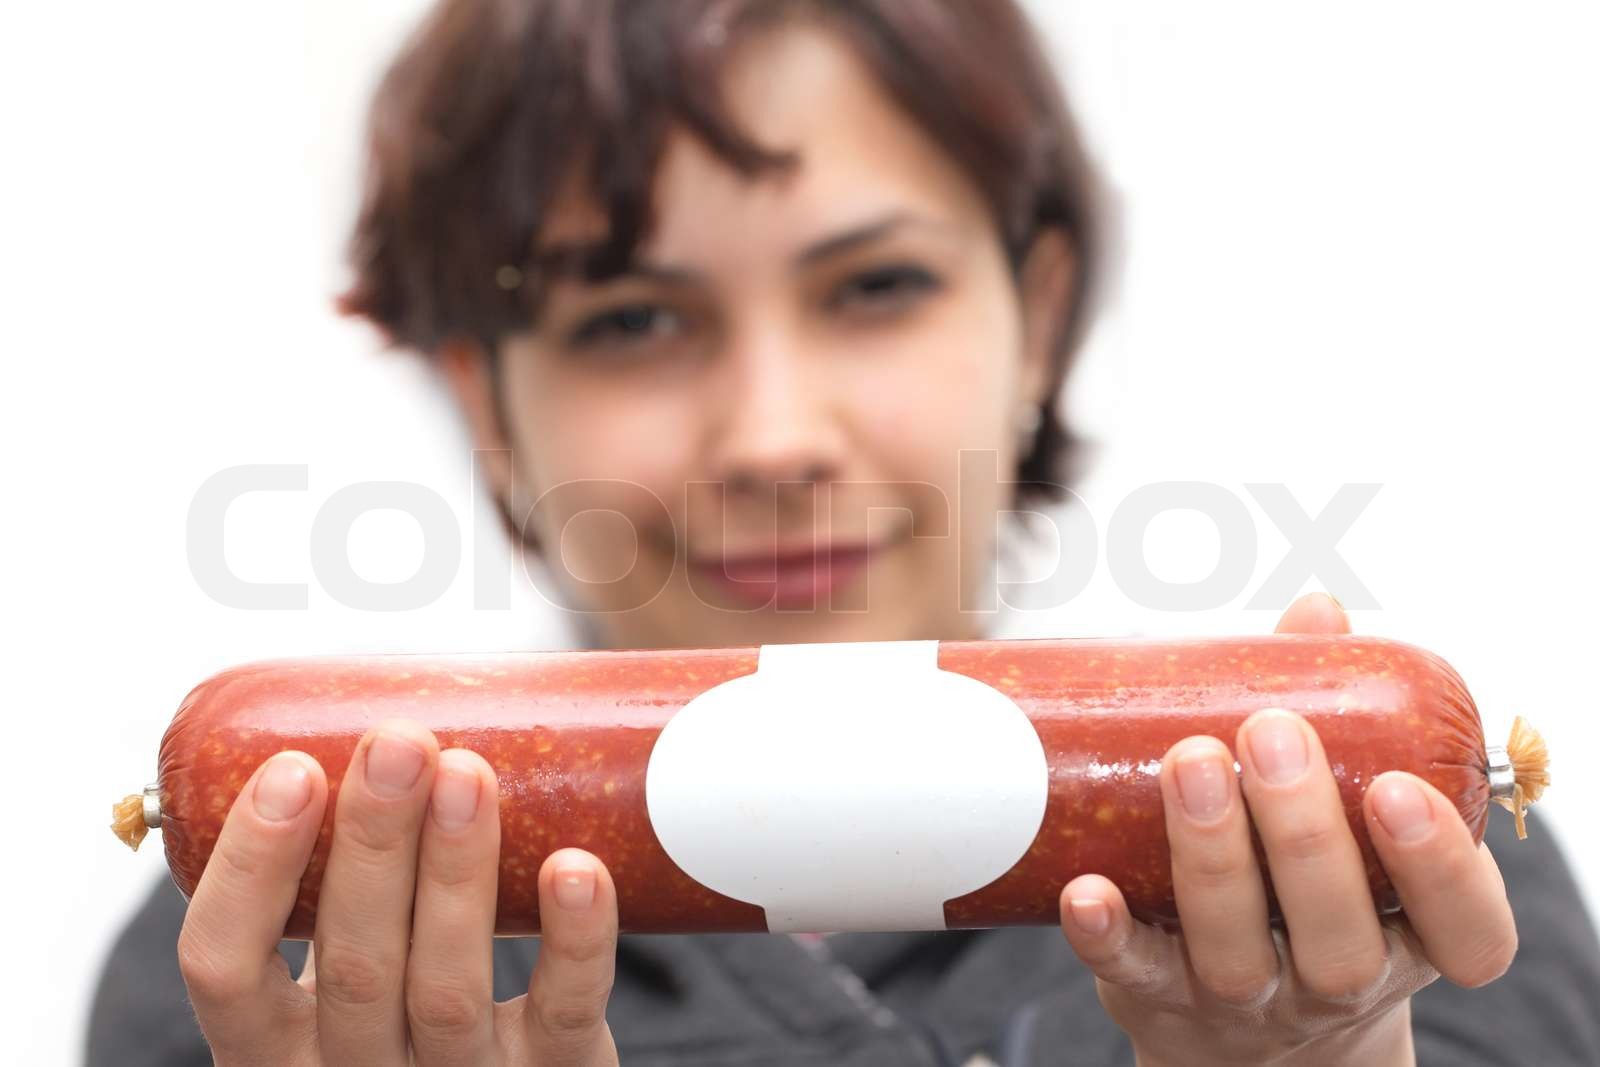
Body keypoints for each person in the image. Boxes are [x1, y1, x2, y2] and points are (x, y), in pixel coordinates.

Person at [89, 1, 1600, 1064]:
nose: (773, 434)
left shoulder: (1392, 897)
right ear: (488, 402)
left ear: (1040, 321)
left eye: (874, 288)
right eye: (630, 319)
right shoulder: (261, 966)